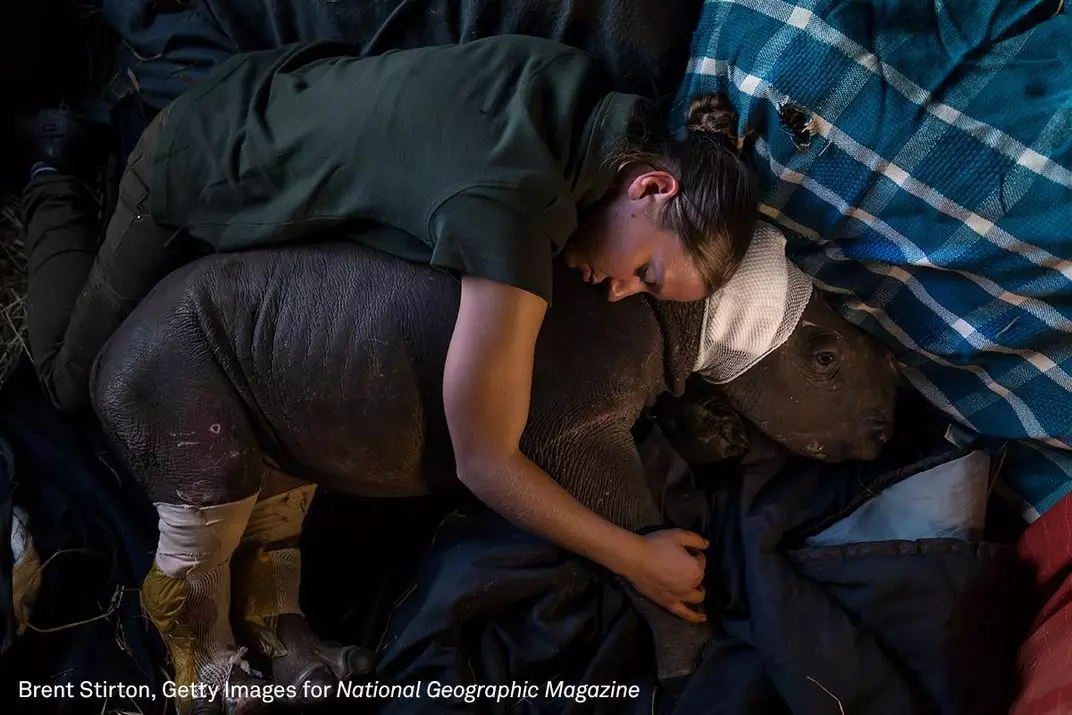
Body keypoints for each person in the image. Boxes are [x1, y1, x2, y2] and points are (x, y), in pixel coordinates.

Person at [20, 35, 758, 626]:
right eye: (646, 275)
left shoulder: (583, 89)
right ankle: (52, 168)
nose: (624, 293)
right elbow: (485, 460)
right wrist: (635, 557)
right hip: (199, 159)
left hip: (282, 95)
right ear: (653, 186)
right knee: (70, 381)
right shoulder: (513, 211)